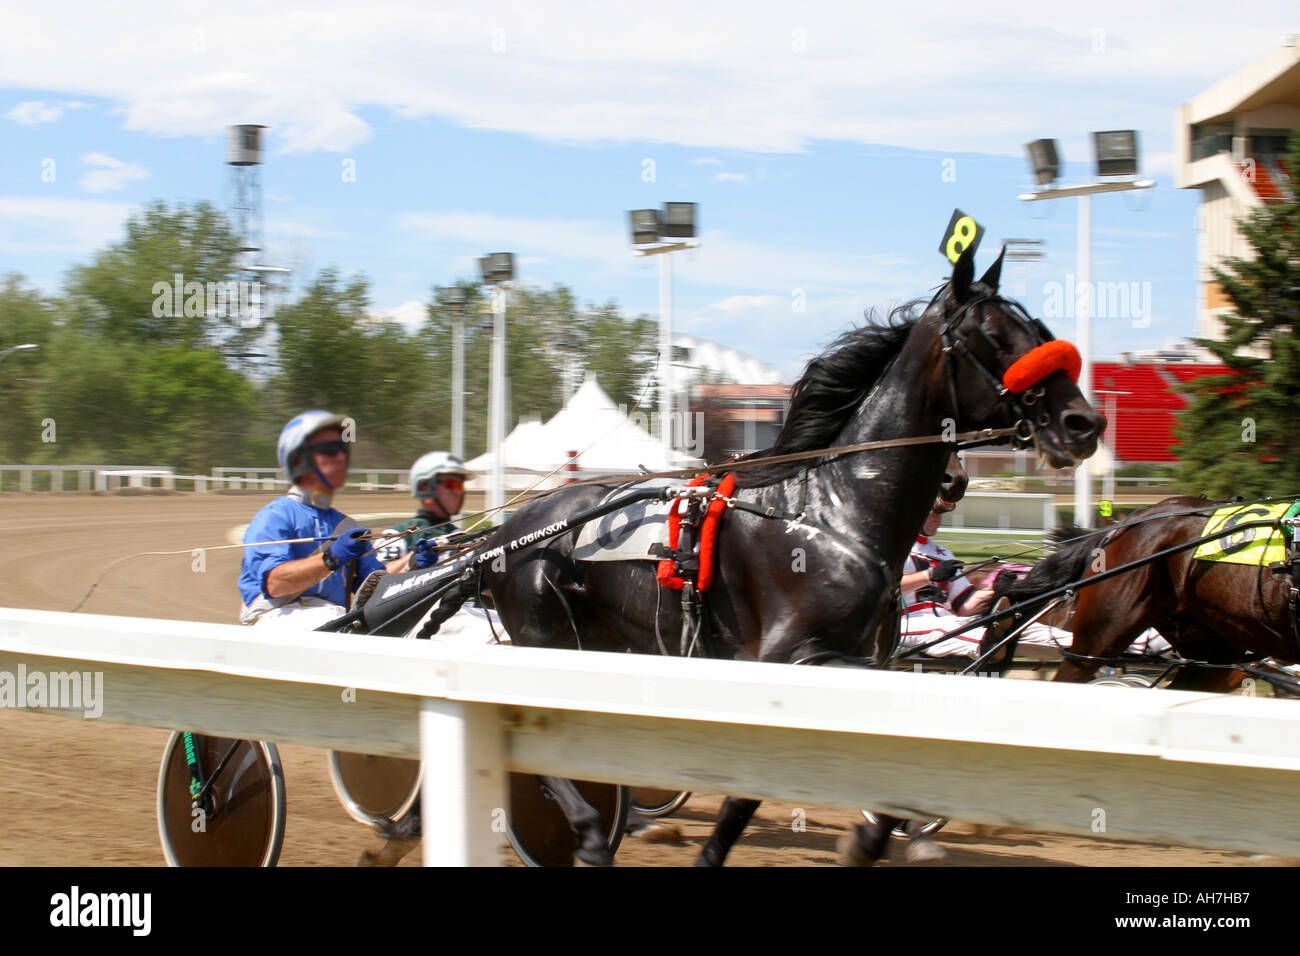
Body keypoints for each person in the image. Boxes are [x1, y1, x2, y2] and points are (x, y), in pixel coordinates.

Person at [238, 411, 440, 629]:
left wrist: (414, 565)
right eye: (330, 450)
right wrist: (331, 558)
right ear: (298, 459)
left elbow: (375, 585)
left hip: (330, 622)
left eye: (343, 450)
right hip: (274, 621)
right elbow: (275, 584)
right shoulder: (276, 515)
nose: (341, 458)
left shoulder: (348, 525)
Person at [898, 505, 1171, 661]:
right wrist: (929, 576)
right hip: (907, 625)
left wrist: (995, 590)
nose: (937, 517)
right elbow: (882, 587)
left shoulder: (944, 553)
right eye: (933, 510)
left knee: (1030, 630)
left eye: (942, 512)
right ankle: (993, 643)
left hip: (951, 622)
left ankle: (1134, 643)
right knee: (978, 634)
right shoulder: (895, 547)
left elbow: (964, 607)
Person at [375, 451, 472, 568]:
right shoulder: (396, 535)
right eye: (451, 485)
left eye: (460, 486)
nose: (458, 492)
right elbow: (378, 578)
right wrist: (411, 561)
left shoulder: (466, 540)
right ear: (425, 489)